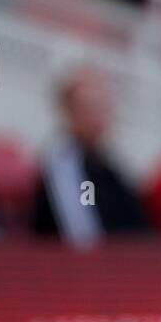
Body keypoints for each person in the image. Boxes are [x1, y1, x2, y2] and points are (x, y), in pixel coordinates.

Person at [32, 66, 147, 242]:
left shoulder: (109, 168)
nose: (99, 117)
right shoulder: (61, 169)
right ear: (68, 112)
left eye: (103, 106)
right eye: (90, 108)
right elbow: (84, 237)